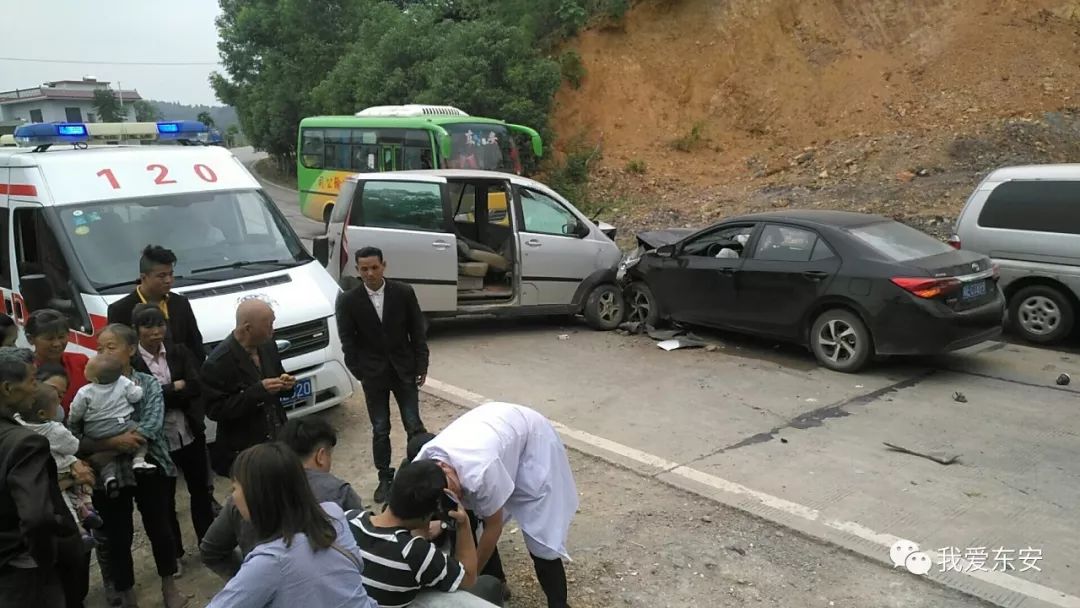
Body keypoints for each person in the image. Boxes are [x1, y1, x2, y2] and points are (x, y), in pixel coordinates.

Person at [416, 402, 578, 608]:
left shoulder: (481, 471)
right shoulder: (422, 464)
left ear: (444, 466)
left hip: (531, 443)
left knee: (541, 540)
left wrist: (470, 578)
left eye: (452, 489)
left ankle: (559, 604)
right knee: (473, 521)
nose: (454, 496)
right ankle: (497, 582)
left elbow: (494, 527)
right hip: (494, 432)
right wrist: (438, 525)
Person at [79, 323, 186, 608]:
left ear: (130, 349)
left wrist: (123, 439)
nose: (104, 352)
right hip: (108, 467)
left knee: (160, 527)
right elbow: (77, 433)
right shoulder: (89, 389)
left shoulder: (146, 383)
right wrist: (112, 444)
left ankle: (169, 586)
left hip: (148, 461)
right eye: (100, 348)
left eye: (111, 346)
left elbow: (153, 422)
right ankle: (127, 595)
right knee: (117, 535)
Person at [205, 443, 380, 608]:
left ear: (256, 495)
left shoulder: (269, 562)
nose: (232, 497)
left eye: (235, 488)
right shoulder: (333, 515)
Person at [199, 417, 363, 576]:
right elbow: (363, 547)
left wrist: (247, 575)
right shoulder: (338, 492)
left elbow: (211, 550)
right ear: (320, 455)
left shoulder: (245, 494)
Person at [336, 246, 429, 503]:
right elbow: (348, 340)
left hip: (404, 370)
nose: (370, 273)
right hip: (373, 375)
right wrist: (360, 371)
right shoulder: (349, 300)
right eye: (364, 269)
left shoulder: (403, 292)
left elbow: (417, 331)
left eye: (374, 267)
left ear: (383, 266)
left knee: (413, 423)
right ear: (357, 270)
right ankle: (385, 478)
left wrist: (421, 365)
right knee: (380, 428)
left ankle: (418, 470)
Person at [347, 460, 505, 607]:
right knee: (489, 585)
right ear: (431, 512)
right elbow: (469, 577)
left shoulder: (349, 520)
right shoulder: (415, 553)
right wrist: (464, 525)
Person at [0, 347, 85, 608]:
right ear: (7, 388)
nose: (36, 389)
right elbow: (37, 518)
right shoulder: (25, 444)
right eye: (30, 381)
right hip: (25, 573)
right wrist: (46, 559)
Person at [130, 304, 214, 566]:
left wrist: (161, 392)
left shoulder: (178, 351)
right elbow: (141, 401)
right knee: (164, 500)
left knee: (201, 490)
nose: (155, 332)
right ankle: (174, 555)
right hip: (157, 441)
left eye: (160, 325)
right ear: (136, 330)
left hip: (188, 431)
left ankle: (209, 544)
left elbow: (195, 385)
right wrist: (173, 388)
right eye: (148, 326)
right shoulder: (132, 361)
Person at [201, 299, 293, 476]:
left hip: (277, 439)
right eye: (269, 325)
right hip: (246, 451)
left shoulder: (267, 346)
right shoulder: (218, 363)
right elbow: (215, 411)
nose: (273, 330)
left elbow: (278, 377)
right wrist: (257, 392)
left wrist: (286, 385)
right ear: (248, 328)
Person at [17, 385, 103, 548]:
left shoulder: (19, 424)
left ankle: (81, 525)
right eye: (56, 405)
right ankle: (86, 511)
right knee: (79, 482)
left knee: (65, 497)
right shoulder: (54, 429)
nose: (59, 408)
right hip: (62, 466)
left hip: (46, 469)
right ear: (42, 413)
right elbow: (72, 446)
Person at [69, 355, 154, 496]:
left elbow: (76, 412)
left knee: (104, 459)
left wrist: (72, 420)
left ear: (94, 379)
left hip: (96, 429)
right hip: (122, 424)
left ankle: (109, 478)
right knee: (140, 434)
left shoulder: (85, 391)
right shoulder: (123, 381)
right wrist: (138, 389)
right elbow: (135, 396)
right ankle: (139, 460)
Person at [106, 244, 206, 363]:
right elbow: (120, 354)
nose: (168, 280)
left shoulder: (180, 303)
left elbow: (195, 345)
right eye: (161, 276)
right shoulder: (120, 310)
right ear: (144, 277)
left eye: (171, 274)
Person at [26, 309, 89, 415]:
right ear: (30, 339)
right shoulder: (24, 371)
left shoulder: (81, 362)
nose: (57, 344)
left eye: (61, 337)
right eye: (49, 338)